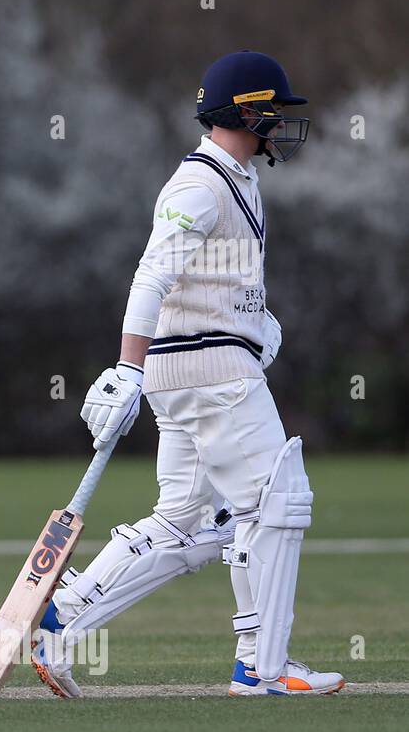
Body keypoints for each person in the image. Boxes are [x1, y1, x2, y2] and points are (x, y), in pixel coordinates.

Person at [32, 51, 344, 698]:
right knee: (277, 504)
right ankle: (264, 666)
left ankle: (62, 621)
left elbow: (208, 281)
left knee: (192, 521)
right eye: (272, 112)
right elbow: (154, 272)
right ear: (244, 111)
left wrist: (257, 322)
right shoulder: (200, 185)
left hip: (195, 371)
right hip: (209, 375)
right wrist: (125, 366)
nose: (280, 124)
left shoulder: (238, 180)